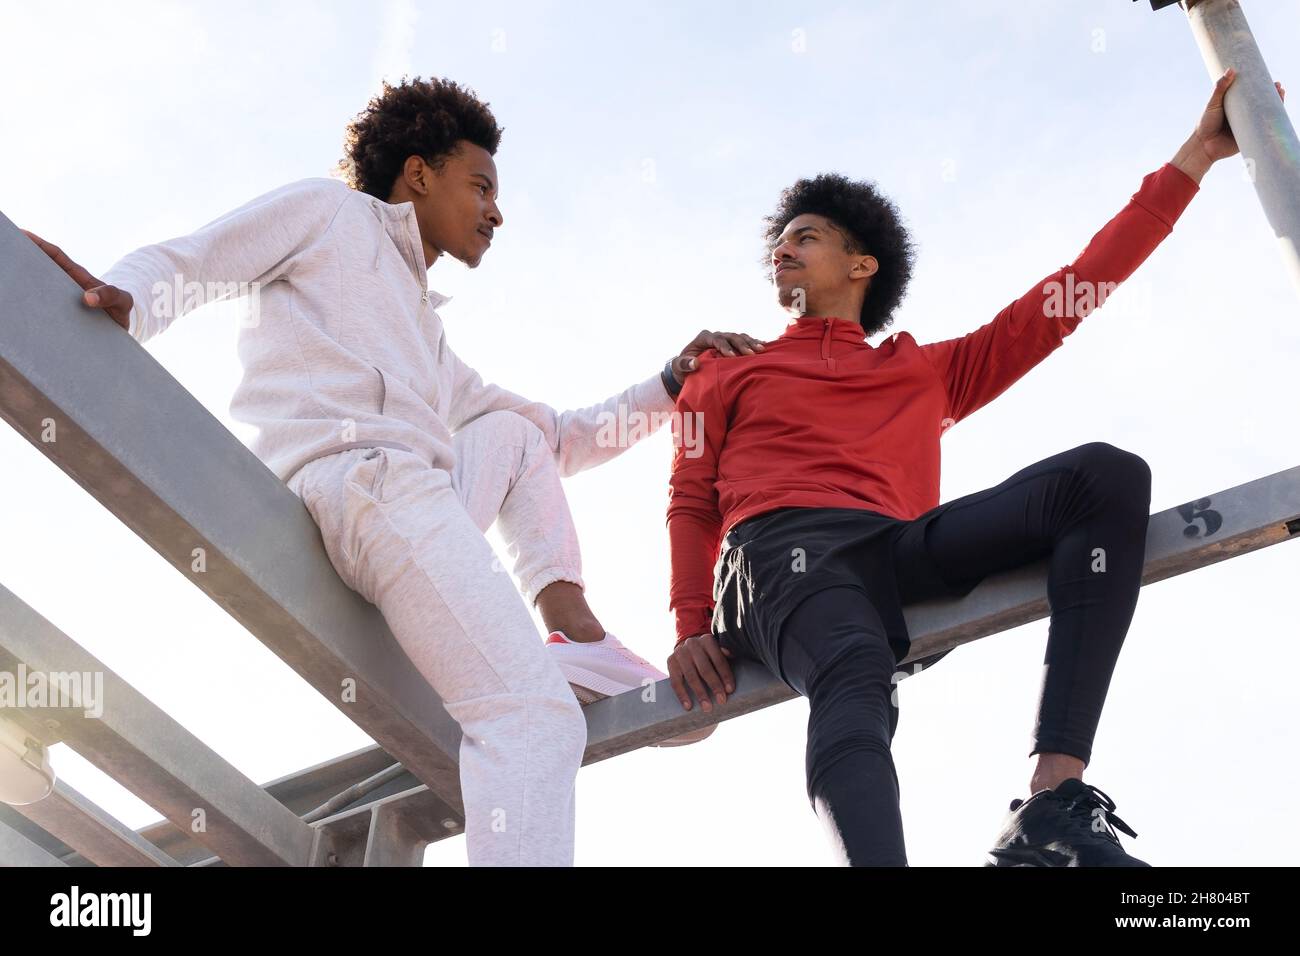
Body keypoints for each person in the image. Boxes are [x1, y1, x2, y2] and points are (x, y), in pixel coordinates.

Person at [23, 75, 764, 866]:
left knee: (513, 435)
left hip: (410, 497)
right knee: (533, 720)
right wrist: (126, 297)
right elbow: (199, 258)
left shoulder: (425, 333)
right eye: (480, 186)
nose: (496, 210)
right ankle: (543, 677)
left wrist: (670, 381)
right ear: (418, 173)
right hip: (362, 485)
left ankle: (570, 636)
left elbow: (560, 441)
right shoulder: (331, 214)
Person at [665, 68, 1285, 866]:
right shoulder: (718, 371)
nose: (782, 246)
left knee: (1105, 477)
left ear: (862, 266)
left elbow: (1071, 294)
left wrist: (1195, 156)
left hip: (891, 549)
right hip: (779, 558)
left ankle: (1051, 802)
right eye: (777, 242)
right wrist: (687, 625)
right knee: (853, 665)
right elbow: (688, 500)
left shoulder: (926, 370)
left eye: (805, 235)